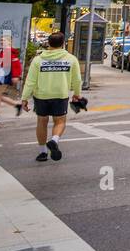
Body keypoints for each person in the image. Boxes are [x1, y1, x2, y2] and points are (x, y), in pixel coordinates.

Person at [20, 32, 83, 161]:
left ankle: (43, 152)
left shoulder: (38, 60)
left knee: (42, 122)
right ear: (63, 44)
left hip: (41, 96)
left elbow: (30, 81)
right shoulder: (71, 59)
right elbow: (77, 80)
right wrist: (77, 94)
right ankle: (54, 140)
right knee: (60, 121)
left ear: (48, 44)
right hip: (60, 95)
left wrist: (24, 98)